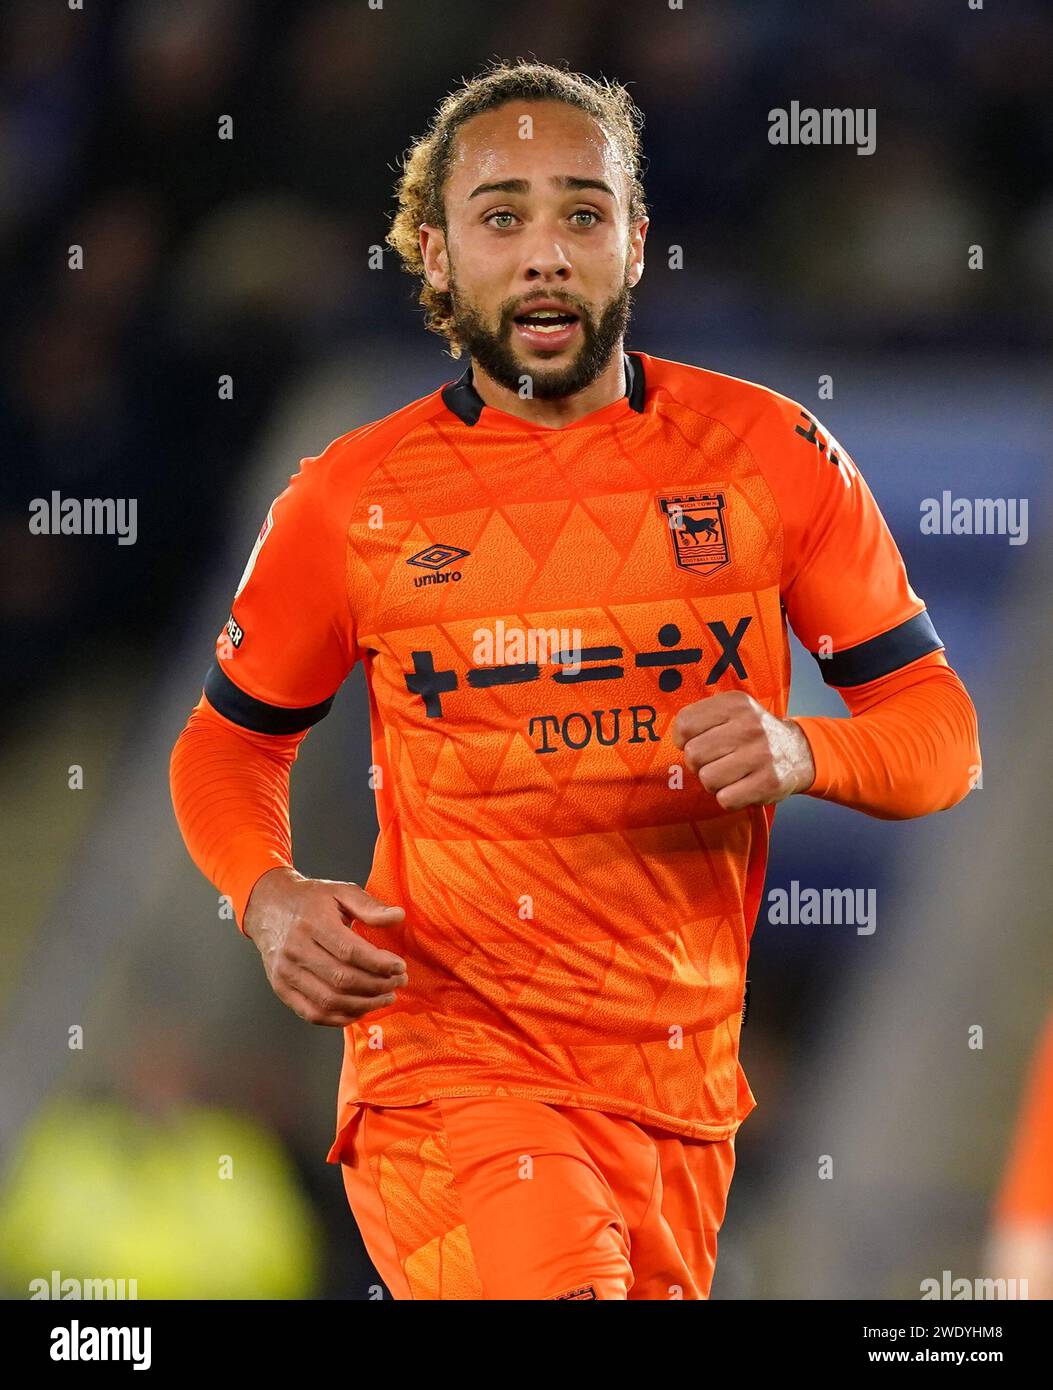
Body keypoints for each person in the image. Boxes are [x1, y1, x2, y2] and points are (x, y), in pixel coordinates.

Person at [170, 59, 981, 1300]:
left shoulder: (771, 452)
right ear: (435, 255)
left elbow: (941, 736)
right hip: (453, 1070)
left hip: (678, 1100)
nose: (545, 253)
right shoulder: (352, 500)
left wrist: (805, 749)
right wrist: (268, 896)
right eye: (502, 217)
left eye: (581, 213)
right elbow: (229, 745)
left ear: (636, 243)